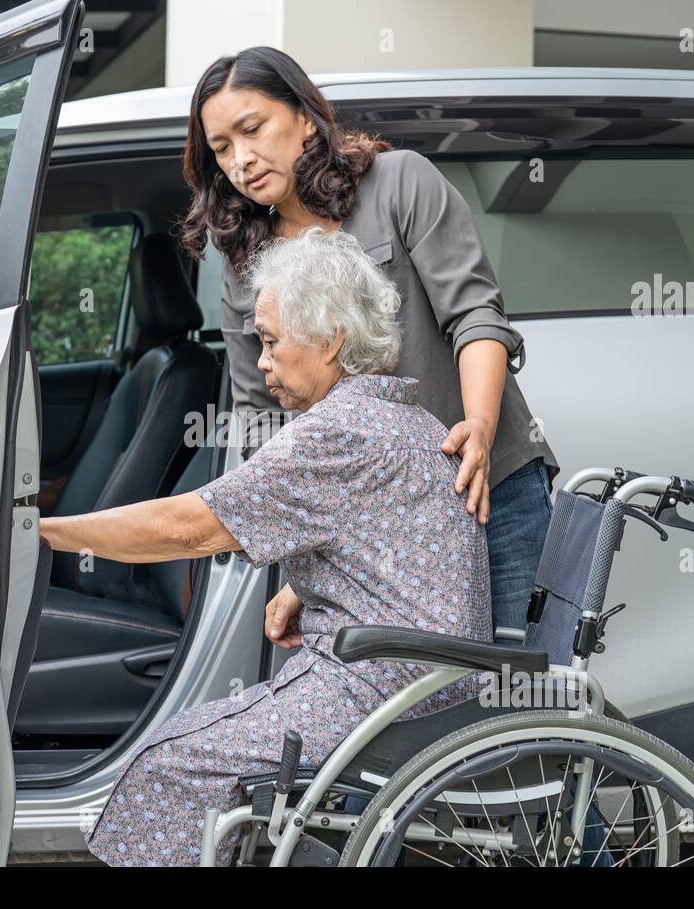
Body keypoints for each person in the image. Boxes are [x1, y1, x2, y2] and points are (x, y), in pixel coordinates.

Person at [40, 229, 493, 866]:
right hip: (428, 682)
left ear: (331, 339)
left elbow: (187, 529)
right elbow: (376, 545)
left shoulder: (336, 433)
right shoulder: (408, 419)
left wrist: (45, 531)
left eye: (273, 342)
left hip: (384, 689)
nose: (261, 363)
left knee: (167, 767)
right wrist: (300, 588)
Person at [179, 46, 559, 638]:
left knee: (515, 700)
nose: (241, 160)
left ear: (306, 116)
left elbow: (477, 316)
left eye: (252, 129)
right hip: (371, 529)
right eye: (222, 148)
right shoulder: (243, 261)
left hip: (488, 491)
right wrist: (300, 564)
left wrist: (480, 431)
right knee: (409, 714)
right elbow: (262, 420)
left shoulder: (400, 181)